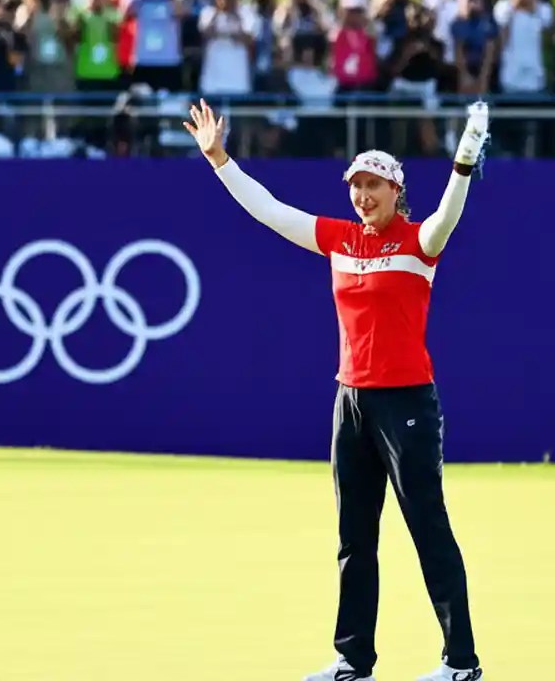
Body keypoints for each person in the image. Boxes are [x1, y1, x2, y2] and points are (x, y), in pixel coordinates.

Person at [184, 98, 491, 681]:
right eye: (356, 185)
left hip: (406, 402)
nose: (362, 195)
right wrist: (219, 159)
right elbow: (269, 211)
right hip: (349, 400)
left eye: (373, 185)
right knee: (355, 537)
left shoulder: (418, 240)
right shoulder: (339, 239)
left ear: (395, 191)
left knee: (428, 528)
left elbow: (448, 215)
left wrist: (464, 160)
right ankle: (354, 659)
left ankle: (461, 662)